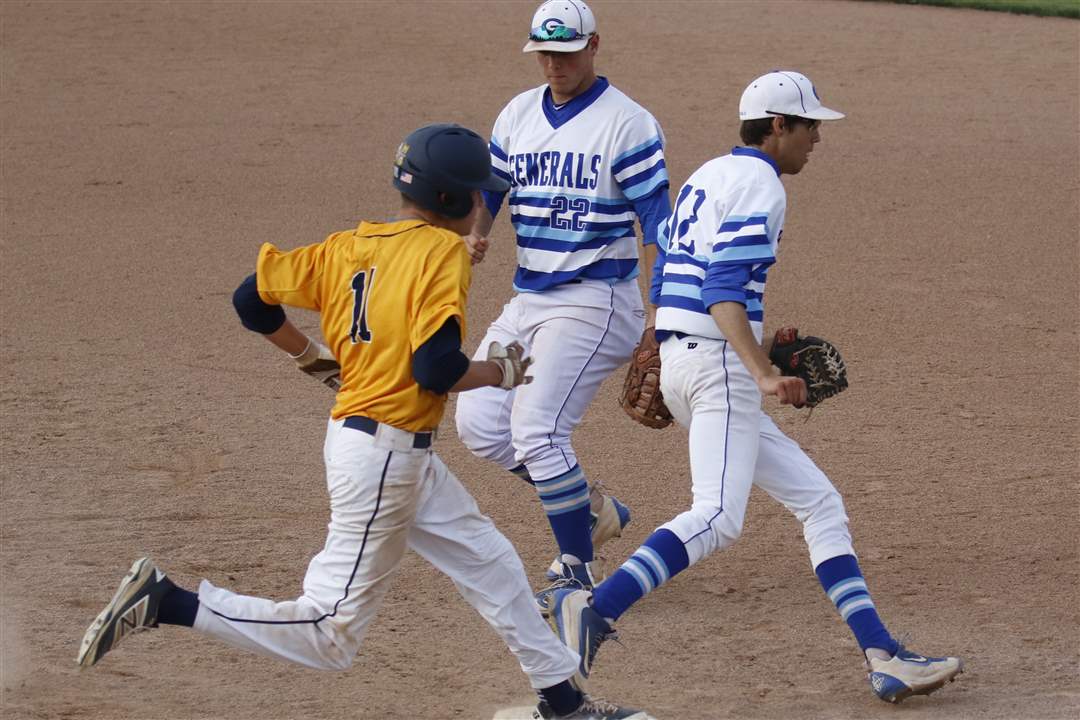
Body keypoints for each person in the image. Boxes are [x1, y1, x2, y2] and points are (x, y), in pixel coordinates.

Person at [75, 123, 651, 720]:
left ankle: (563, 703)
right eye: (477, 192)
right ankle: (167, 602)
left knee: (493, 564)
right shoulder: (442, 254)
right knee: (329, 632)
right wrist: (498, 372)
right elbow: (436, 369)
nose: (484, 202)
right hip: (384, 461)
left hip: (382, 449)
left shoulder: (346, 246)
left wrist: (308, 355)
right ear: (450, 198)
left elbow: (251, 298)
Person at [549, 72, 964, 705]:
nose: (816, 139)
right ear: (777, 125)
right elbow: (721, 289)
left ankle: (884, 657)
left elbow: (669, 277)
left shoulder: (709, 175)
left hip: (687, 357)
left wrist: (733, 348)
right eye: (809, 126)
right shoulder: (762, 186)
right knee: (716, 516)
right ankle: (595, 609)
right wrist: (763, 371)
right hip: (716, 367)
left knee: (820, 503)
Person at [454, 0, 672, 599]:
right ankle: (592, 510)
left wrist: (659, 317)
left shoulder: (628, 123)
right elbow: (490, 191)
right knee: (479, 423)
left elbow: (657, 223)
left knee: (537, 430)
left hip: (596, 302)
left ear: (593, 46)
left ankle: (576, 571)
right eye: (545, 53)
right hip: (530, 301)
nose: (555, 64)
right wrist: (476, 232)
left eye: (567, 52)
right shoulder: (517, 114)